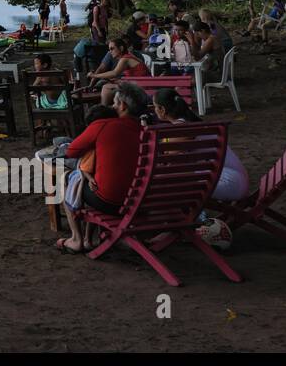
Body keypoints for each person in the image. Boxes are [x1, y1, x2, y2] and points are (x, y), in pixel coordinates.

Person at [52, 82, 147, 253]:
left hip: (111, 201)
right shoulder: (146, 131)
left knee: (68, 178)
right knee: (97, 176)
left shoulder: (105, 124)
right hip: (141, 201)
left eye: (115, 103)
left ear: (123, 106)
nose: (112, 106)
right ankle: (90, 238)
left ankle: (76, 240)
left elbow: (72, 151)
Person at [150, 90, 249, 201]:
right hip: (233, 179)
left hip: (228, 182)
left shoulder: (181, 129)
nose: (154, 110)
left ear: (162, 110)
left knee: (172, 182)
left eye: (155, 107)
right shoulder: (190, 122)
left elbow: (167, 158)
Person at [86, 37, 148, 105]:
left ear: (121, 48)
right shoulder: (129, 56)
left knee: (106, 88)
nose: (110, 52)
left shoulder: (125, 59)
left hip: (141, 88)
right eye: (109, 49)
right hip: (140, 85)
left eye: (112, 48)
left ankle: (104, 111)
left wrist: (94, 75)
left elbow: (114, 73)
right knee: (109, 84)